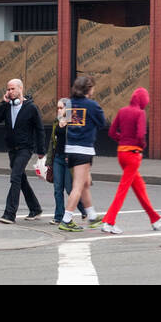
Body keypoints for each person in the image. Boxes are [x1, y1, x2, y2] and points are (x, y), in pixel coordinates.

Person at [101, 87, 161, 234]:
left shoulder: (122, 111)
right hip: (133, 154)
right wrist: (142, 146)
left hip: (121, 153)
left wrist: (123, 139)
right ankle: (109, 222)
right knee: (123, 189)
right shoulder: (140, 113)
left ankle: (155, 219)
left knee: (139, 187)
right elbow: (140, 135)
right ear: (143, 100)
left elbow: (112, 132)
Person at [0, 78, 46, 224]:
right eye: (8, 89)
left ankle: (9, 214)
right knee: (21, 179)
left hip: (25, 148)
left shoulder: (31, 108)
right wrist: (3, 103)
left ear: (20, 89)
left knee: (15, 177)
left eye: (12, 89)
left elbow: (40, 129)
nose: (9, 92)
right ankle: (35, 208)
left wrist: (41, 151)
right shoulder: (7, 106)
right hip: (12, 149)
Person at [57, 75, 105, 232]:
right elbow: (102, 123)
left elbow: (65, 121)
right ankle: (66, 219)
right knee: (78, 186)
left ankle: (92, 215)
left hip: (70, 148)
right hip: (84, 149)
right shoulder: (92, 105)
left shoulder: (70, 103)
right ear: (89, 88)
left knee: (85, 183)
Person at [44, 98, 88, 225]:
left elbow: (79, 140)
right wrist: (49, 160)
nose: (59, 110)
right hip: (58, 158)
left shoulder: (74, 122)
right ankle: (58, 216)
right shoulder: (56, 122)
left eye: (61, 107)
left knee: (69, 189)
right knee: (57, 188)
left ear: (68, 108)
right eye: (57, 108)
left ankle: (83, 208)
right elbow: (52, 142)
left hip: (70, 160)